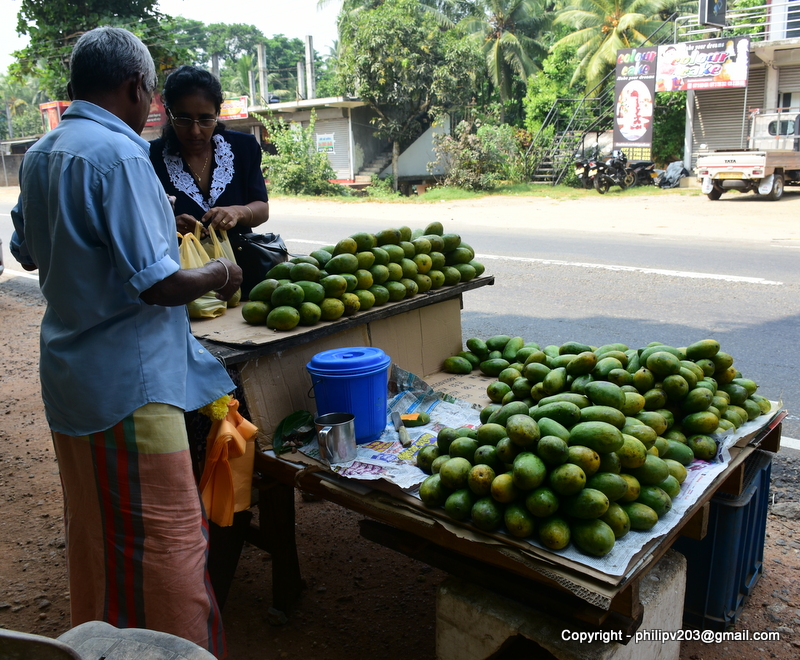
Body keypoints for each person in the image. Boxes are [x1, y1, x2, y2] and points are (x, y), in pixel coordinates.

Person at [9, 27, 240, 659]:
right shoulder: (121, 155)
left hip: (71, 378)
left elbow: (25, 251)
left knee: (96, 533)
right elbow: (161, 284)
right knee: (168, 544)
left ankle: (100, 645)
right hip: (130, 389)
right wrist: (222, 272)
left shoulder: (42, 152)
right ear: (137, 88)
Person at [149, 65, 269, 241]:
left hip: (242, 263)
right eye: (184, 119)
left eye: (205, 119)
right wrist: (169, 224)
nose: (195, 131)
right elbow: (138, 222)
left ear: (217, 114)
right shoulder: (149, 157)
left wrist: (238, 212)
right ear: (169, 113)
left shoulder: (244, 147)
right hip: (183, 267)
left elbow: (262, 209)